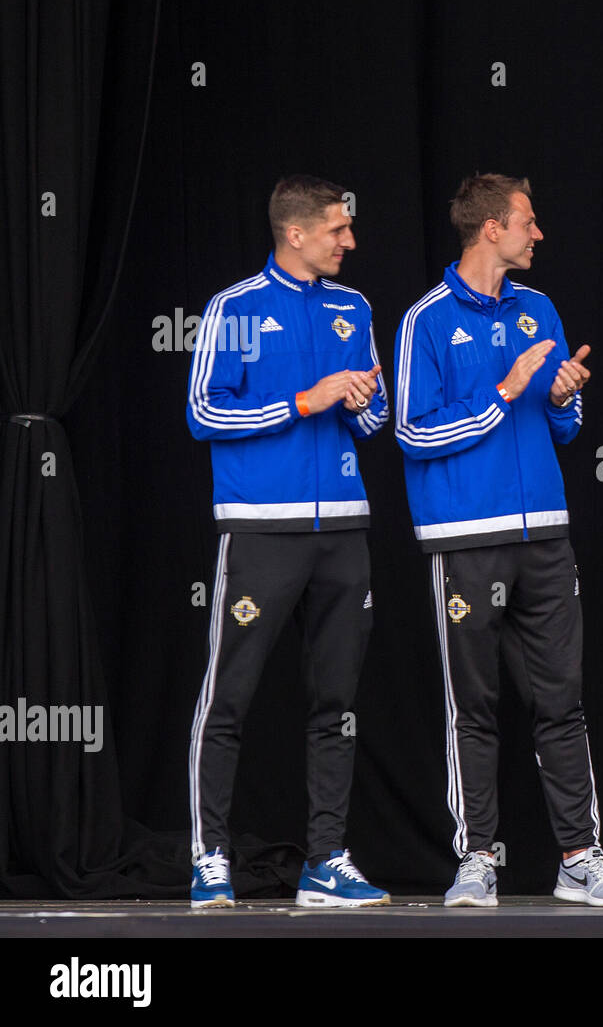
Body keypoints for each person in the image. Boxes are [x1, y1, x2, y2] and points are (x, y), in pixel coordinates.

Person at [394, 173, 603, 908]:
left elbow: (564, 423)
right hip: (466, 538)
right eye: (529, 221)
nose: (540, 234)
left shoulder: (541, 308)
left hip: (547, 536)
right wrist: (502, 392)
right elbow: (412, 431)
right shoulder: (426, 320)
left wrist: (563, 396)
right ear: (490, 229)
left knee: (561, 700)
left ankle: (579, 856)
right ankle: (476, 859)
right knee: (475, 704)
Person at [186, 175, 390, 909]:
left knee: (335, 703)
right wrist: (306, 399)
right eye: (339, 229)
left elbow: (376, 421)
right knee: (229, 699)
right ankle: (210, 856)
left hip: (343, 530)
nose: (351, 242)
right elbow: (204, 411)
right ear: (295, 233)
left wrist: (361, 402)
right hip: (261, 532)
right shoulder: (233, 309)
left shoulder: (353, 306)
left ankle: (326, 860)